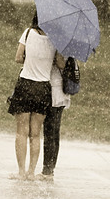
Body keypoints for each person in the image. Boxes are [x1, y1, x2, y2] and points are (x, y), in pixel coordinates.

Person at [7, 12, 65, 181]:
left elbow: (18, 58)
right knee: (35, 134)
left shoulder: (27, 33)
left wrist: (30, 59)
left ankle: (21, 171)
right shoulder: (55, 39)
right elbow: (61, 64)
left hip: (25, 85)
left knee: (21, 132)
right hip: (43, 88)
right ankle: (32, 172)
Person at [37, 64, 70, 181]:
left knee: (51, 131)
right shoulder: (65, 46)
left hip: (55, 89)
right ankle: (49, 169)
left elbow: (61, 63)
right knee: (53, 132)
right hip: (57, 88)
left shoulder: (60, 47)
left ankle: (48, 170)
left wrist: (52, 58)